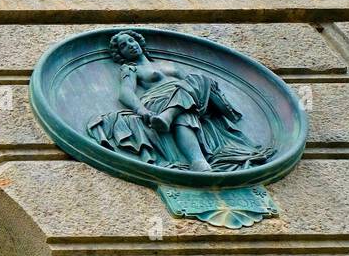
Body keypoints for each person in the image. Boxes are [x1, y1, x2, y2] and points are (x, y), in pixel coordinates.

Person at [87, 30, 273, 172]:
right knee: (184, 108)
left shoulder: (168, 65)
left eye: (131, 40)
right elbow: (125, 93)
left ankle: (168, 117)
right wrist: (142, 110)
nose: (130, 45)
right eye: (123, 45)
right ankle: (197, 160)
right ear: (121, 54)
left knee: (196, 81)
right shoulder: (131, 69)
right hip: (157, 100)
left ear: (139, 43)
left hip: (187, 97)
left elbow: (192, 83)